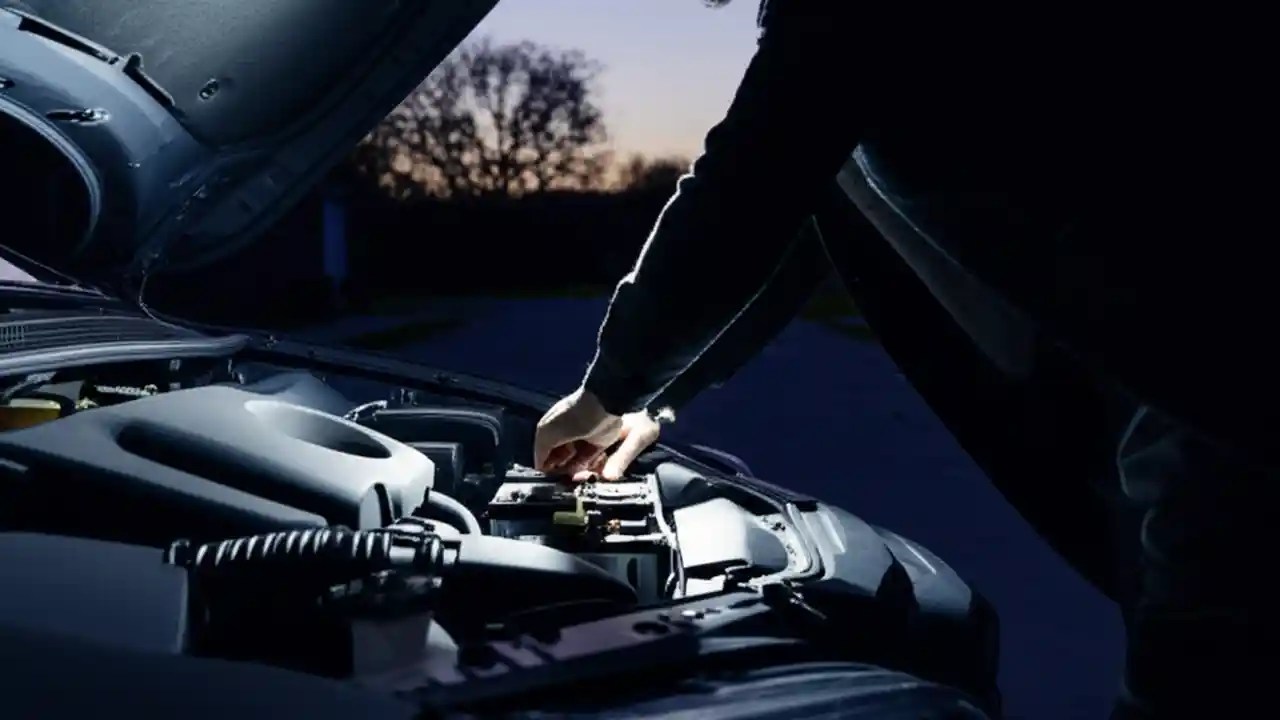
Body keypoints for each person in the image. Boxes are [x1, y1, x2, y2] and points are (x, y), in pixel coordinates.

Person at [533, 1, 1265, 717]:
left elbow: (750, 182)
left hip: (1216, 377)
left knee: (1202, 661)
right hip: (1165, 391)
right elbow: (795, 215)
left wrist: (608, 387)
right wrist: (642, 401)